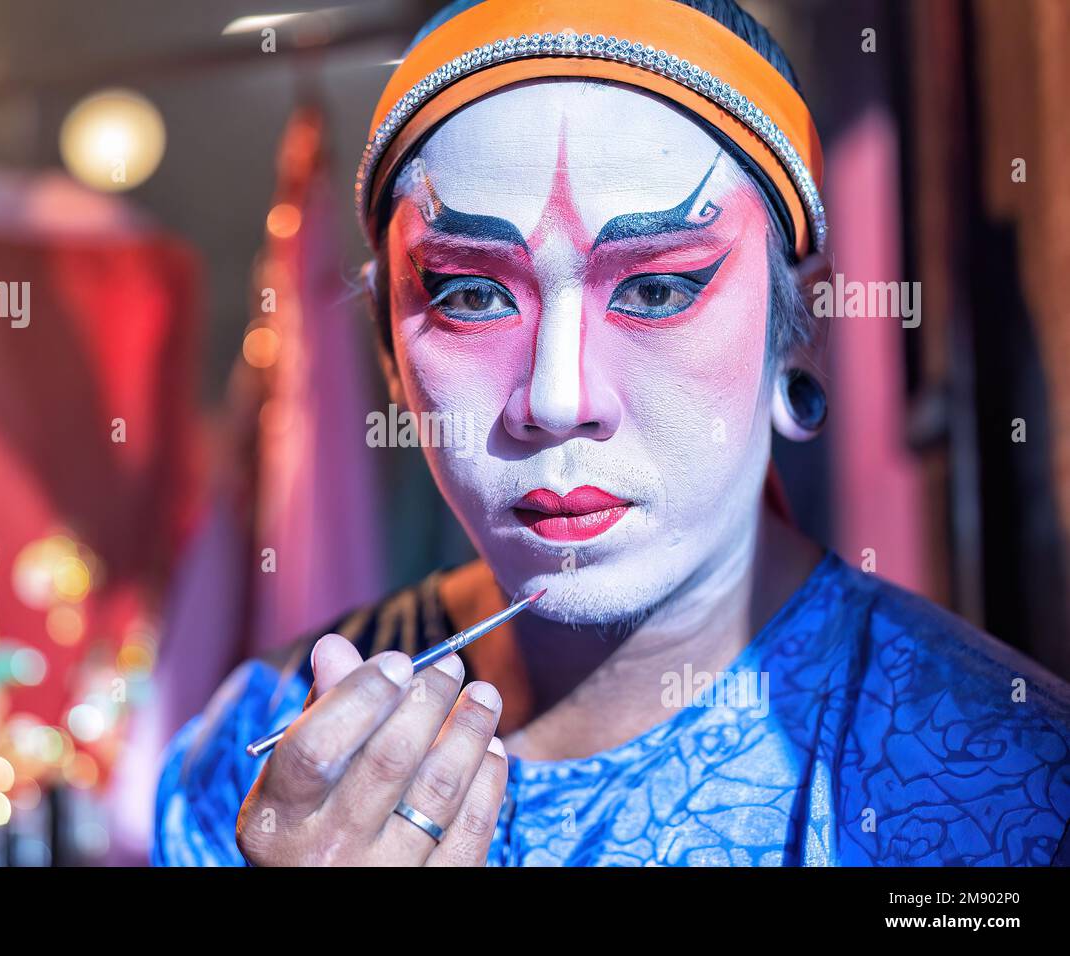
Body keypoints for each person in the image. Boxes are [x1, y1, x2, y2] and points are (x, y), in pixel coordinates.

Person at [154, 0, 1070, 866]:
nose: (556, 398)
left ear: (805, 326)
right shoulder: (265, 763)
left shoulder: (1005, 793)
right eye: (470, 293)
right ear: (388, 354)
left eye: (658, 289)